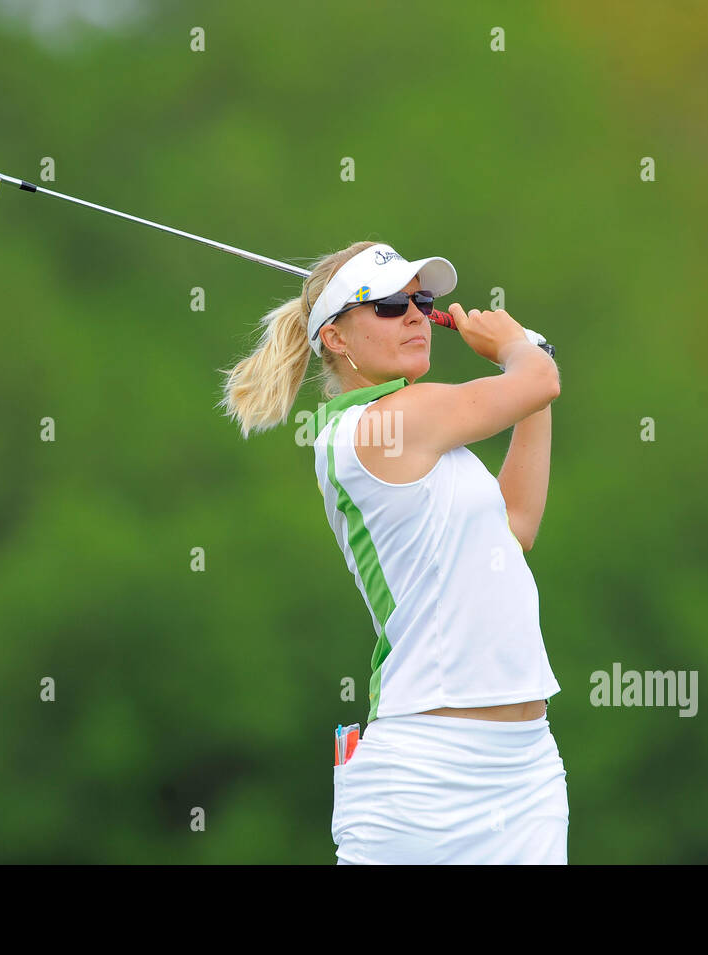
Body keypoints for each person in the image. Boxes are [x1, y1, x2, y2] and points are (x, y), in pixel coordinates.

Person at [217, 240, 567, 863]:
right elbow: (533, 381)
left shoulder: (431, 435)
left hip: (526, 769)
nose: (413, 315)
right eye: (386, 305)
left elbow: (514, 530)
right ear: (336, 339)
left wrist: (533, 365)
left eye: (420, 301)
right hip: (424, 773)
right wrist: (517, 349)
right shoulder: (378, 425)